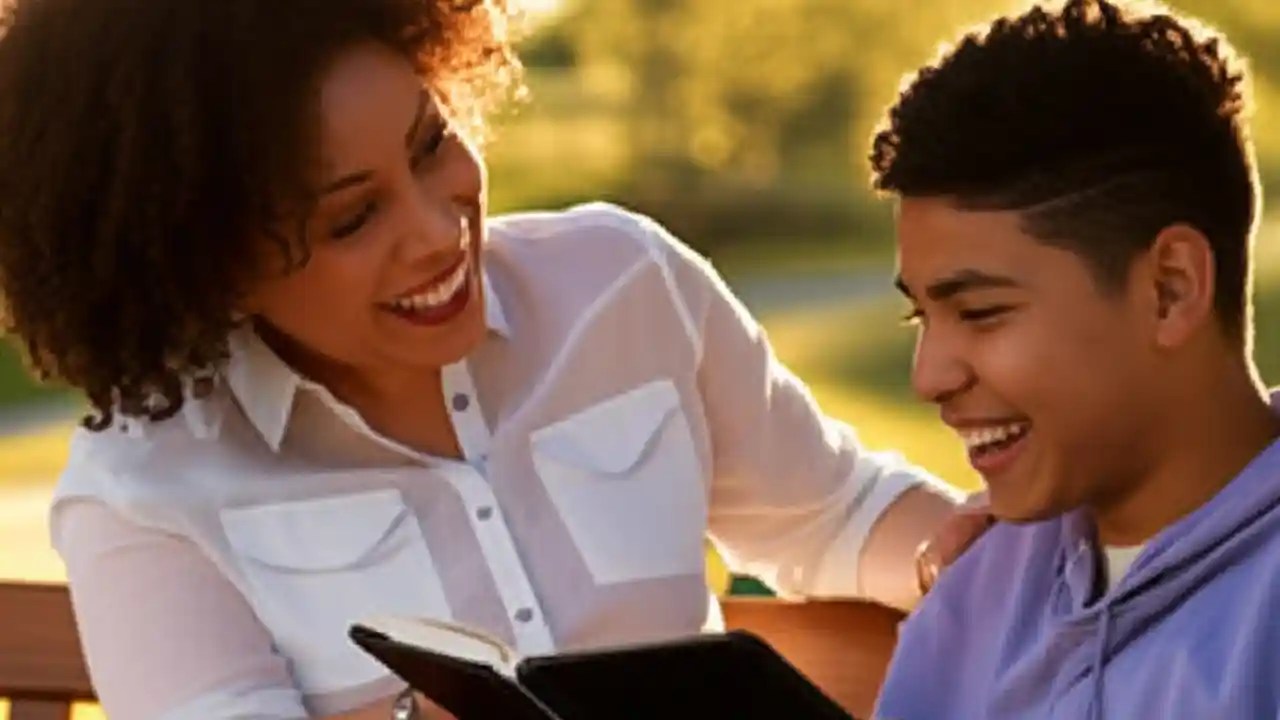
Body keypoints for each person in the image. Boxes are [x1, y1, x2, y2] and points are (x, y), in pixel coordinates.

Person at [0, 1, 980, 718]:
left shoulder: (620, 282)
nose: (436, 232)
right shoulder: (144, 496)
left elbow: (830, 512)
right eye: (352, 216)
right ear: (203, 260)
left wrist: (990, 568)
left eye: (431, 146)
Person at [868, 1, 1280, 718]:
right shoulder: (978, 595)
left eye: (980, 313)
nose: (928, 377)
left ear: (1169, 289)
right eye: (920, 316)